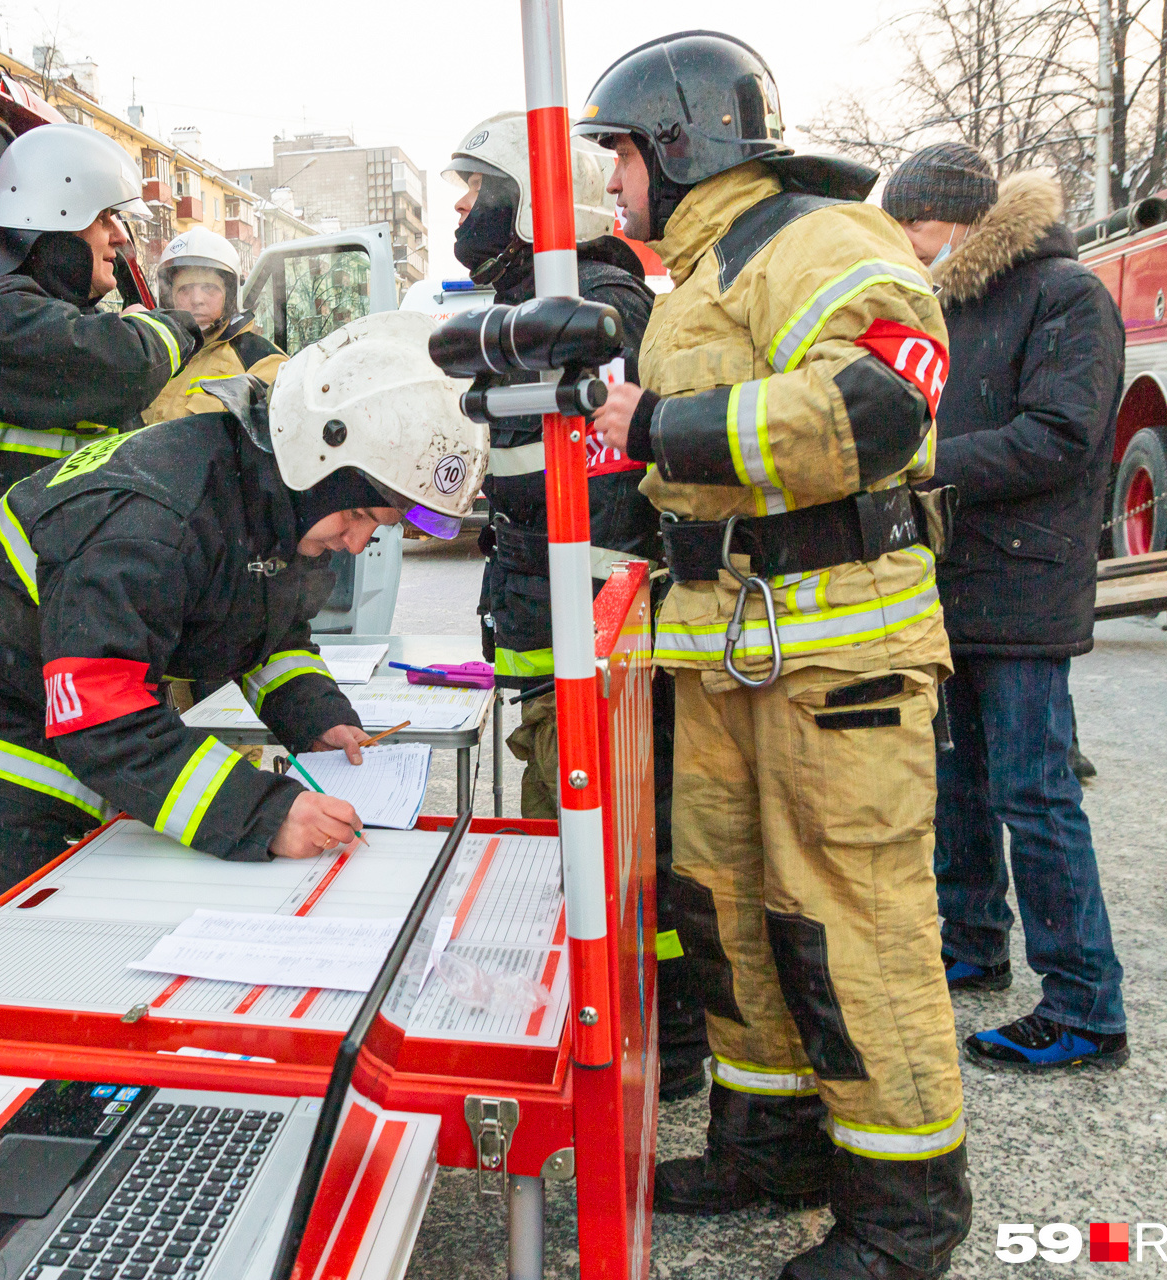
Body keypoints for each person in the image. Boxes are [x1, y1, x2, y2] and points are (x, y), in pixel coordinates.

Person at [580, 33, 970, 1280]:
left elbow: (885, 402)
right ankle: (773, 1137)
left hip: (838, 648)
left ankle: (906, 1216)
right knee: (727, 906)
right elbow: (690, 459)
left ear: (680, 142)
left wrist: (665, 424)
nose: (613, 187)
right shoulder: (698, 277)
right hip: (730, 646)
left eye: (622, 158)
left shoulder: (823, 238)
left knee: (852, 917)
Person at [0, 310, 486, 936]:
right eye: (359, 515)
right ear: (320, 468)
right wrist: (264, 815)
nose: (357, 542)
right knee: (12, 928)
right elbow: (104, 717)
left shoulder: (267, 496)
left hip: (82, 689)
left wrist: (317, 718)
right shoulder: (153, 520)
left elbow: (270, 631)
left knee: (101, 900)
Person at [443, 110, 708, 1102]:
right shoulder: (526, 301)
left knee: (624, 831)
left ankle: (668, 1029)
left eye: (476, 186)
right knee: (565, 824)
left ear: (525, 192)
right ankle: (612, 1007)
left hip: (587, 612)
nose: (462, 207)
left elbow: (597, 479)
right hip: (537, 604)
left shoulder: (592, 305)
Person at [884, 144, 1129, 1072]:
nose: (905, 244)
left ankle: (1084, 1004)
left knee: (1036, 793)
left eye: (913, 225)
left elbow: (1061, 435)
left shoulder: (1066, 294)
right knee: (958, 787)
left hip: (1026, 582)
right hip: (952, 579)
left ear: (960, 219)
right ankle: (973, 942)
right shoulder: (942, 304)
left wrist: (923, 464)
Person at [0, 123, 202, 685]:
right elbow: (124, 364)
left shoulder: (18, 314)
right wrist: (175, 328)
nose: (120, 238)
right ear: (53, 217)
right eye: (105, 217)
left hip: (29, 603)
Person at [142, 226, 284, 423]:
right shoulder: (154, 356)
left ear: (230, 296)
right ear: (169, 298)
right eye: (185, 289)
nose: (197, 299)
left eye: (209, 288)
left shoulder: (262, 361)